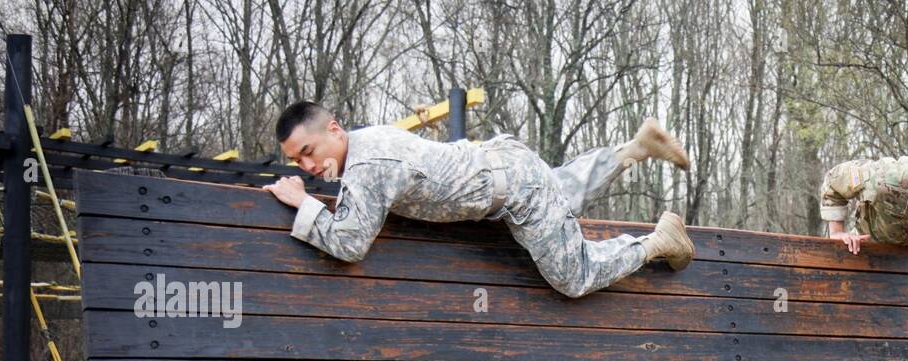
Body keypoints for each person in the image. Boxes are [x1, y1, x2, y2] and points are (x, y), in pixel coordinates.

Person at [263, 101, 694, 297]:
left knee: (573, 278)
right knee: (559, 190)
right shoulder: (367, 138)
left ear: (334, 130)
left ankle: (659, 241)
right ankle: (634, 149)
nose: (306, 165)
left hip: (514, 190)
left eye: (309, 152)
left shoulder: (367, 166)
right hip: (505, 162)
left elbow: (350, 243)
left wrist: (304, 204)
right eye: (296, 160)